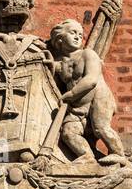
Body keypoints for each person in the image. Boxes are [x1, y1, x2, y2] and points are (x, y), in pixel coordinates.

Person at [48, 19, 126, 163]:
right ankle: (87, 156)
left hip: (99, 98)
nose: (78, 37)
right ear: (60, 37)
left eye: (80, 34)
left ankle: (118, 153)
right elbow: (49, 71)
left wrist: (70, 94)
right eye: (73, 33)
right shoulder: (60, 63)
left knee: (100, 127)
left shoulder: (88, 54)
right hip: (78, 106)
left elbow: (91, 80)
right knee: (68, 132)